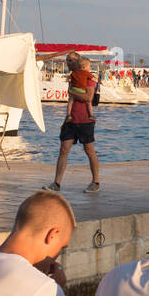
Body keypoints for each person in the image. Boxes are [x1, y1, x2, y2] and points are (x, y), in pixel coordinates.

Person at [48, 51, 101, 193]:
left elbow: (88, 97)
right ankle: (56, 183)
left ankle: (95, 182)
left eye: (71, 60)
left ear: (78, 62)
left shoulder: (89, 78)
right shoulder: (73, 78)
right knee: (63, 149)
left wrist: (72, 93)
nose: (68, 63)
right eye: (67, 60)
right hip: (71, 120)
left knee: (89, 150)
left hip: (85, 120)